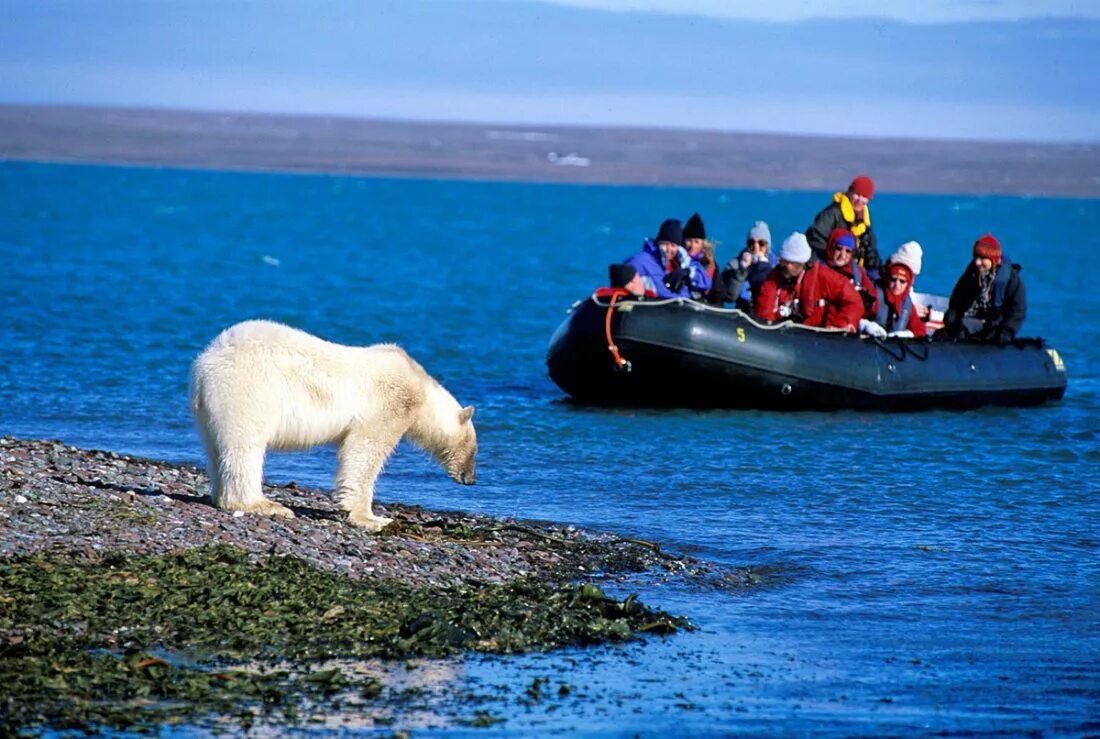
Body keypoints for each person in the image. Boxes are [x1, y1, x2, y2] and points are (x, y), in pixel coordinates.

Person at [754, 233, 864, 332]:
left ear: (802, 263)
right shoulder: (774, 277)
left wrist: (840, 326)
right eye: (783, 261)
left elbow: (854, 301)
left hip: (818, 336)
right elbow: (764, 308)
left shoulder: (824, 277)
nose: (786, 266)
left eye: (791, 262)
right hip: (784, 335)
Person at [940, 233, 1026, 344]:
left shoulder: (1010, 279)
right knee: (954, 323)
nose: (977, 262)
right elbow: (957, 296)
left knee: (965, 325)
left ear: (993, 259)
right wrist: (953, 313)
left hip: (994, 325)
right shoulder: (972, 273)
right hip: (972, 318)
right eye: (976, 257)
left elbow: (1018, 310)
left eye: (982, 258)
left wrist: (1006, 332)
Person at [806, 175, 882, 280]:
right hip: (828, 265)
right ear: (850, 192)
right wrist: (834, 258)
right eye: (857, 194)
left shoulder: (864, 222)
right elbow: (815, 237)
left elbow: (871, 250)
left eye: (864, 196)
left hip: (853, 269)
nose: (860, 199)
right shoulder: (833, 213)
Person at [623, 219, 711, 299]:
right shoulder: (641, 261)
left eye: (673, 245)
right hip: (653, 309)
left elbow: (706, 282)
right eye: (665, 244)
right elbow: (622, 277)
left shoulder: (683, 262)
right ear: (658, 242)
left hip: (682, 311)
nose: (669, 249)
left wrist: (688, 272)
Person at [861, 241, 927, 339]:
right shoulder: (874, 294)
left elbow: (919, 330)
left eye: (902, 281)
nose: (897, 285)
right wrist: (865, 325)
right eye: (893, 280)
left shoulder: (906, 304)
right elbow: (854, 313)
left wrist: (907, 334)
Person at [710, 220, 776, 309]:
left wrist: (762, 266)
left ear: (767, 246)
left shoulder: (775, 268)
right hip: (743, 312)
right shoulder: (734, 265)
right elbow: (730, 297)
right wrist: (742, 271)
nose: (756, 246)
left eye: (761, 243)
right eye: (751, 242)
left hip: (765, 313)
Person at [822, 228, 879, 318]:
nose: (842, 255)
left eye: (847, 251)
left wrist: (867, 303)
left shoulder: (857, 273)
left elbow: (874, 300)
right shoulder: (820, 269)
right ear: (831, 247)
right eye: (838, 249)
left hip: (849, 322)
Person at [683, 212, 719, 300]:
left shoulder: (709, 264)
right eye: (689, 240)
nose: (692, 246)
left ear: (703, 243)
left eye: (696, 242)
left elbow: (718, 293)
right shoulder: (676, 259)